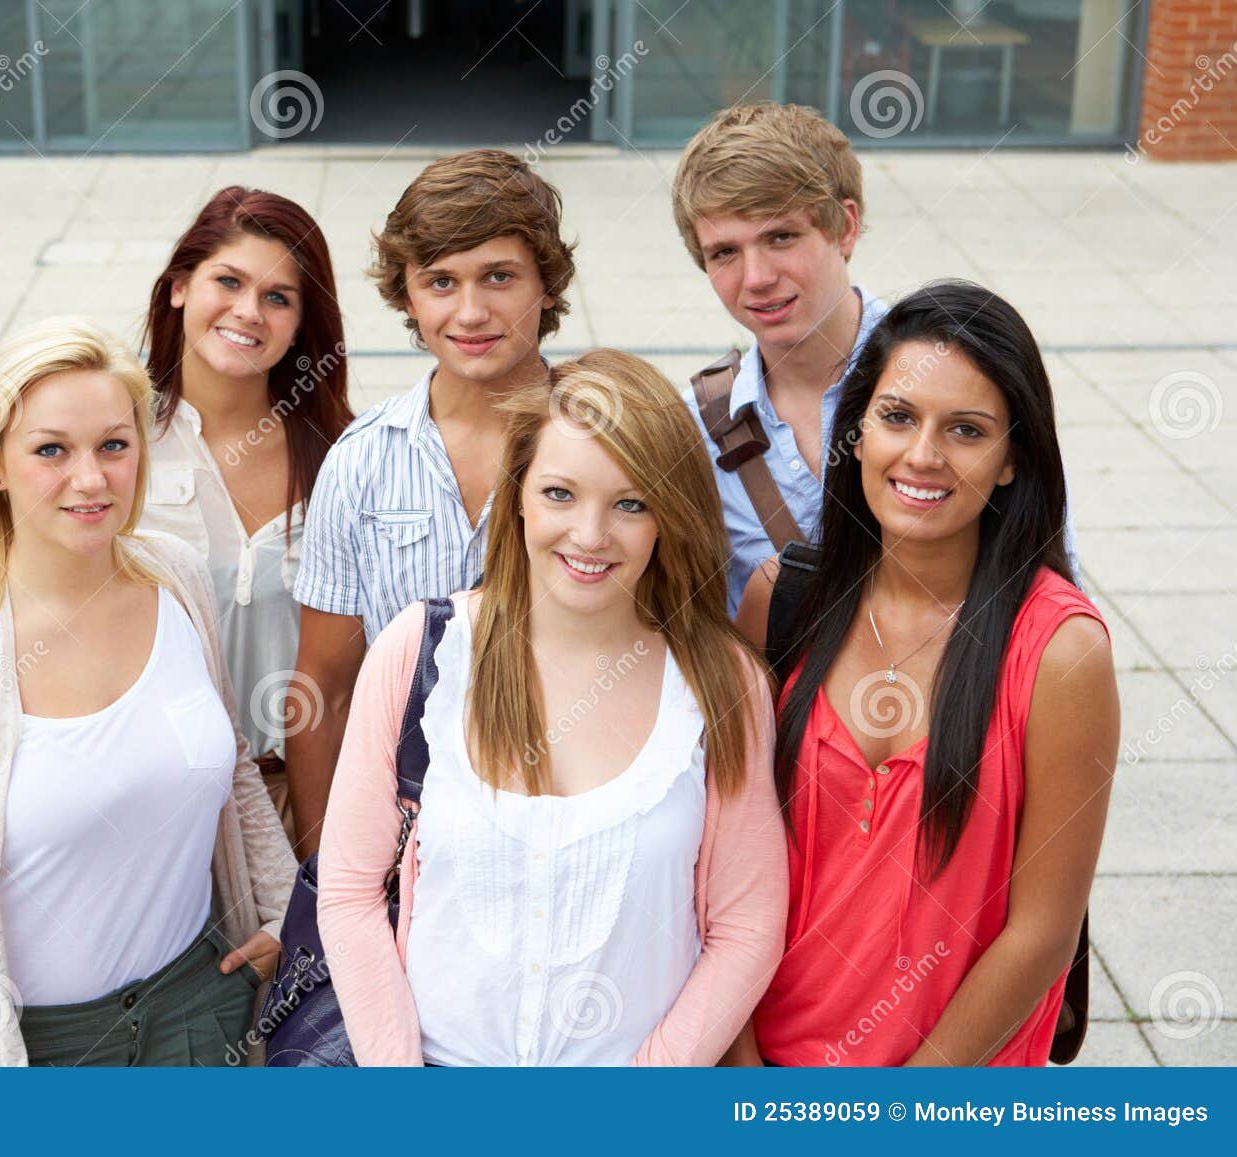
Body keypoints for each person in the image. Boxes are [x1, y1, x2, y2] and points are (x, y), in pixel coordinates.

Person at [317, 350, 786, 1066]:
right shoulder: (420, 650)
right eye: (561, 493)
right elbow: (349, 889)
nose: (591, 535)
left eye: (630, 502)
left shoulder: (723, 683)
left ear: (669, 515)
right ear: (519, 496)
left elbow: (747, 925)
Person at [0, 317, 295, 1066]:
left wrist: (287, 916)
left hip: (200, 1012)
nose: (90, 479)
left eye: (113, 445)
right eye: (51, 449)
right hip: (36, 1051)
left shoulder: (177, 577)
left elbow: (235, 764)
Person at [732, 283, 1118, 1066]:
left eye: (966, 430)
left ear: (1013, 460)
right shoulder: (783, 601)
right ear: (859, 430)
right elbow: (718, 869)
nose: (922, 455)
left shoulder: (1059, 653)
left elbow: (1043, 931)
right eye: (898, 417)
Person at [671, 103, 1087, 616]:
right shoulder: (693, 425)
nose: (755, 277)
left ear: (845, 228)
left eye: (781, 237)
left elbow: (1047, 576)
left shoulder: (957, 367)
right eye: (724, 253)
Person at [287, 148, 577, 857]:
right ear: (408, 296)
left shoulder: (616, 440)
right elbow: (322, 688)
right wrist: (333, 876)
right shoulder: (361, 461)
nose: (471, 311)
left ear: (546, 283)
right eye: (440, 281)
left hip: (579, 817)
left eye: (499, 277)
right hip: (413, 838)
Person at [140, 187, 352, 836]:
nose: (248, 312)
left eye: (278, 297)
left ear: (299, 324)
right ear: (180, 287)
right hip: (155, 803)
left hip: (302, 795)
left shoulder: (347, 456)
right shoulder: (119, 442)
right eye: (227, 281)